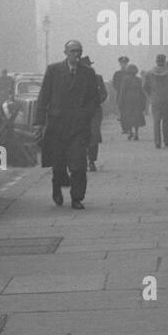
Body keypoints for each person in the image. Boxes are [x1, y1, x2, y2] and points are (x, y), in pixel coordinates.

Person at [34, 38, 102, 208]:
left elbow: (95, 98)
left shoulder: (88, 73)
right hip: (57, 126)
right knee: (58, 164)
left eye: (79, 51)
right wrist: (39, 123)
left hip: (78, 126)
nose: (77, 54)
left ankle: (76, 198)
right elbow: (44, 97)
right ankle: (56, 186)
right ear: (66, 53)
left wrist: (85, 113)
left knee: (78, 164)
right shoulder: (54, 70)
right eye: (73, 51)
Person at [143, 53, 168, 149]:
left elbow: (145, 87)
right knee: (166, 121)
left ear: (156, 61)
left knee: (156, 121)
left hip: (155, 100)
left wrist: (151, 94)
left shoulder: (149, 73)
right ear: (164, 61)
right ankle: (167, 140)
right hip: (167, 100)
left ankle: (157, 142)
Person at [82, 56, 107, 172]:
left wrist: (97, 101)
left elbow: (104, 93)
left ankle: (91, 160)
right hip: (80, 112)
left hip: (95, 110)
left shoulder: (98, 78)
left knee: (94, 134)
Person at [119, 63, 147, 139]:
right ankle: (136, 134)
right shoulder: (138, 79)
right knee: (137, 116)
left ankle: (131, 132)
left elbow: (122, 91)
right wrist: (144, 102)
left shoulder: (125, 79)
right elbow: (142, 91)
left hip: (128, 100)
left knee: (129, 116)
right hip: (137, 99)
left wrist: (120, 102)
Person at [111, 56, 131, 135]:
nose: (123, 65)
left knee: (129, 111)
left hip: (128, 95)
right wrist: (119, 90)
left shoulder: (130, 73)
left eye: (125, 63)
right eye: (122, 63)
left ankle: (129, 127)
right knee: (122, 111)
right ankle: (124, 128)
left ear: (127, 64)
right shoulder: (117, 74)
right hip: (120, 94)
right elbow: (114, 84)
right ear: (120, 64)